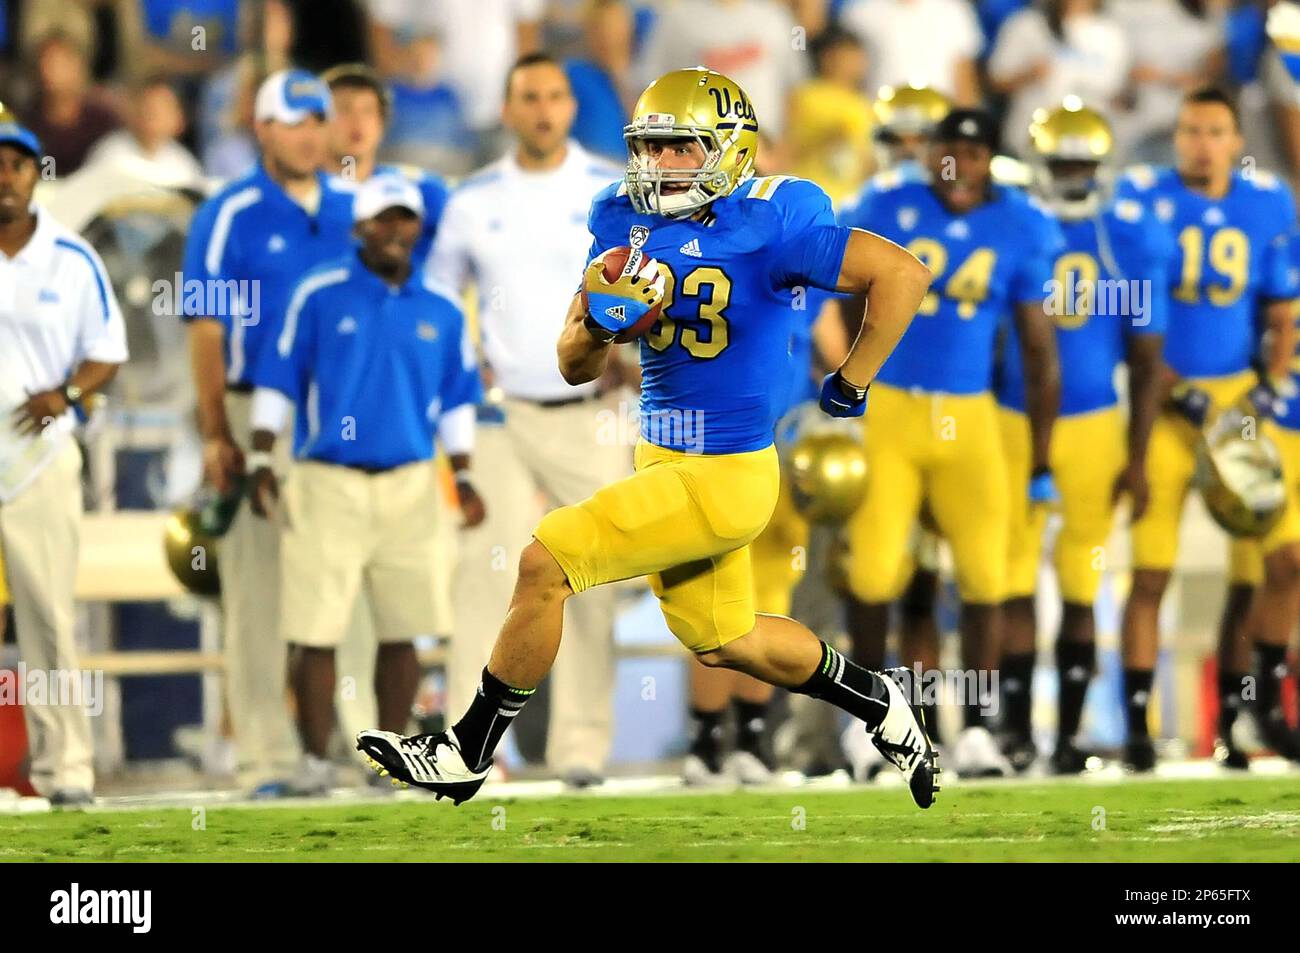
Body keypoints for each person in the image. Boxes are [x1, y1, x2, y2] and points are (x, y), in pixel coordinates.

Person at [358, 66, 941, 810]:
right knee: (728, 637)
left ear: (729, 150)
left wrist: (852, 379)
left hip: (725, 472)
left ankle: (466, 748)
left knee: (546, 561)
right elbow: (571, 363)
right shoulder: (618, 216)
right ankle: (880, 699)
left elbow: (901, 274)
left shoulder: (773, 220)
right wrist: (604, 321)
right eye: (650, 148)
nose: (659, 166)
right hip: (661, 452)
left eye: (681, 149)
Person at [836, 108, 1063, 779]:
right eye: (949, 149)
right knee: (874, 572)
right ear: (929, 151)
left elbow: (1039, 349)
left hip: (971, 415)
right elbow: (849, 295)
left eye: (974, 150)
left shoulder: (1021, 223)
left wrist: (1043, 458)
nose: (959, 164)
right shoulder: (887, 202)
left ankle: (980, 731)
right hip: (893, 412)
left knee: (987, 575)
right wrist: (852, 380)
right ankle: (874, 723)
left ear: (991, 158)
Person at [425, 53, 628, 786]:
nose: (542, 109)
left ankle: (581, 748)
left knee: (593, 579)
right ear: (507, 110)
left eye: (553, 96)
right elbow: (440, 296)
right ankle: (476, 750)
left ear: (570, 108)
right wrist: (463, 359)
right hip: (499, 412)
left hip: (592, 410)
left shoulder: (610, 189)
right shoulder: (471, 198)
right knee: (483, 577)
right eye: (528, 97)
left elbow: (645, 282)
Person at [245, 174, 484, 794]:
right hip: (329, 480)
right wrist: (260, 459)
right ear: (360, 228)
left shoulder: (441, 306)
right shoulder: (319, 295)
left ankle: (390, 757)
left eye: (404, 220)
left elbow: (457, 398)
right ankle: (315, 761)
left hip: (409, 480)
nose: (395, 231)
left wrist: (464, 473)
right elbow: (279, 381)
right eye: (382, 220)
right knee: (316, 629)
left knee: (404, 627)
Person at [179, 69, 356, 795]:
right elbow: (206, 330)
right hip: (259, 418)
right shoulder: (229, 214)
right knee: (256, 594)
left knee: (348, 587)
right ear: (263, 128)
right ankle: (265, 757)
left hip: (342, 422)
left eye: (319, 120)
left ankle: (350, 742)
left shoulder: (355, 208)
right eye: (294, 121)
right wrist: (217, 431)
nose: (310, 134)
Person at [1115, 86, 1300, 771]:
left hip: (1239, 404)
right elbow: (1135, 331)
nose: (1201, 142)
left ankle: (1252, 711)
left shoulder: (1266, 202)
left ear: (1235, 140)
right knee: (1151, 571)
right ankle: (1137, 727)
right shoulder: (1142, 201)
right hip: (1163, 398)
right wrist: (1178, 393)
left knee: (1276, 565)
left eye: (1215, 130)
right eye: (1190, 129)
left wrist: (1265, 387)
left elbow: (1281, 315)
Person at [995, 103, 1171, 773]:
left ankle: (1065, 737)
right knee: (1008, 579)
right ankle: (1014, 732)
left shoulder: (1125, 235)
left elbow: (1148, 356)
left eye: (1082, 164)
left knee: (1079, 583)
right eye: (1061, 163)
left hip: (1094, 421)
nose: (1072, 175)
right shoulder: (1014, 222)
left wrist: (1137, 453)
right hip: (1011, 418)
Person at [0, 117, 128, 806]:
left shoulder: (72, 258)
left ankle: (66, 768)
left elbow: (108, 349)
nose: (4, 176)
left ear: (35, 175)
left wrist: (69, 393)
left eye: (16, 164)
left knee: (48, 616)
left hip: (38, 458)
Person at [320, 63, 449, 266]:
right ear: (319, 122)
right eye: (344, 109)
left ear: (382, 124)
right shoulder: (298, 198)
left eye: (368, 110)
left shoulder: (422, 191)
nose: (357, 121)